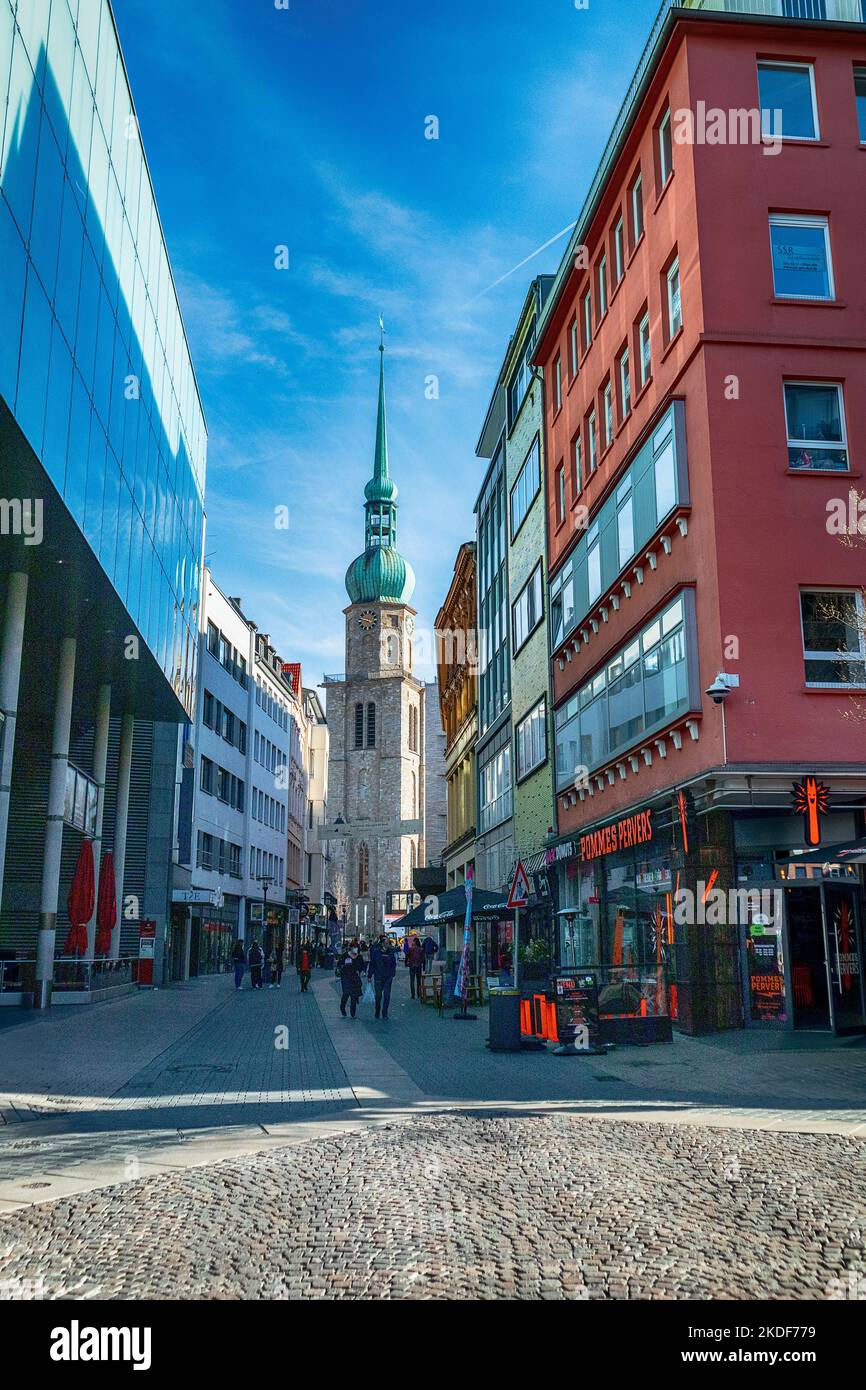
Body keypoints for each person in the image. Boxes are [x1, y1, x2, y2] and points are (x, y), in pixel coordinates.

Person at [368, 934, 397, 1019]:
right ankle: (377, 1010)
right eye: (387, 943)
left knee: (387, 995)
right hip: (378, 976)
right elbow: (372, 964)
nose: (389, 944)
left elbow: (393, 964)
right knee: (378, 995)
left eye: (389, 943)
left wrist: (392, 974)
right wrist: (370, 975)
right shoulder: (376, 952)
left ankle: (384, 1013)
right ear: (383, 944)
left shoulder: (391, 952)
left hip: (388, 977)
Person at [338, 944, 365, 1018]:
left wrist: (359, 969)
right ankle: (342, 1007)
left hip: (354, 977)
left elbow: (361, 966)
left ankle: (353, 1013)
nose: (355, 950)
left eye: (356, 948)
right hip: (345, 977)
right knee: (346, 993)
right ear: (351, 948)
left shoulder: (359, 957)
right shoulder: (345, 955)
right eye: (354, 948)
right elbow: (339, 965)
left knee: (354, 995)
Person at [406, 934, 425, 1000]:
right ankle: (419, 994)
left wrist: (406, 963)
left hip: (412, 966)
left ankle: (413, 995)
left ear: (415, 942)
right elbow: (423, 959)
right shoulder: (421, 949)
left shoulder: (411, 949)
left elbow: (407, 956)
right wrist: (423, 966)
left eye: (413, 941)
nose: (412, 942)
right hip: (418, 966)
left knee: (412, 981)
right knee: (418, 981)